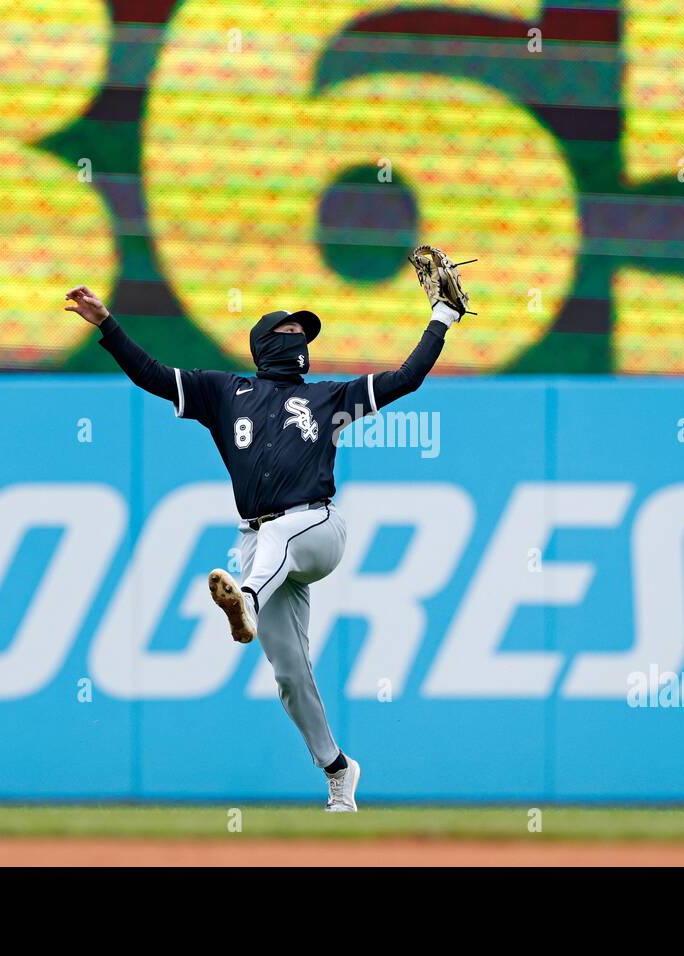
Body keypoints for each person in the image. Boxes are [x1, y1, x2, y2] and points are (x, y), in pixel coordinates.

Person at [66, 285, 463, 811]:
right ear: (263, 345)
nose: (300, 337)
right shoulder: (224, 392)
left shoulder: (330, 398)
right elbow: (153, 375)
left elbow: (405, 379)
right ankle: (338, 769)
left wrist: (442, 317)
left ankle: (246, 600)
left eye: (305, 332)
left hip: (317, 528)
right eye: (290, 330)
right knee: (289, 672)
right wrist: (106, 325)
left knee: (276, 537)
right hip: (260, 543)